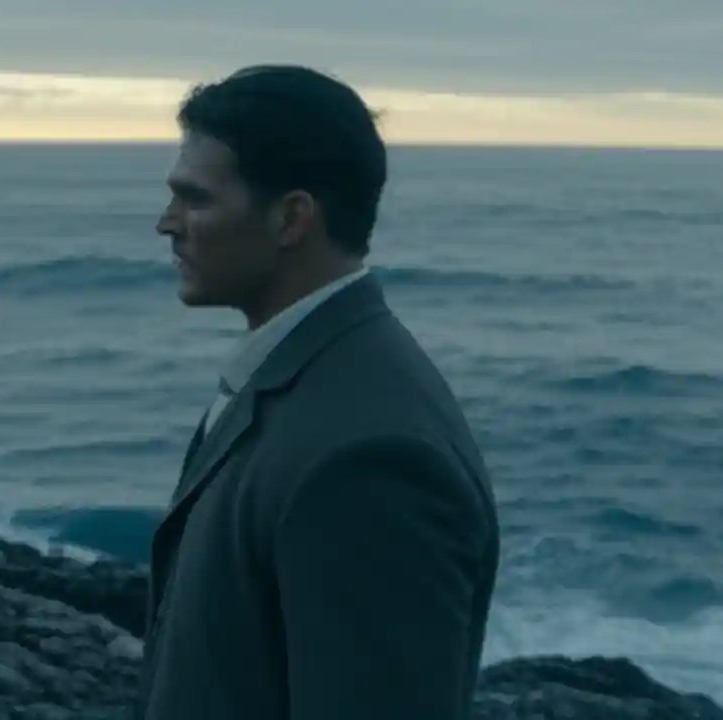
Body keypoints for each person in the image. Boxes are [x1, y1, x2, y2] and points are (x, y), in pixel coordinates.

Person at [134, 64, 500, 720]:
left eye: (196, 199)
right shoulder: (298, 377)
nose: (167, 223)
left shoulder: (370, 457)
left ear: (291, 218)